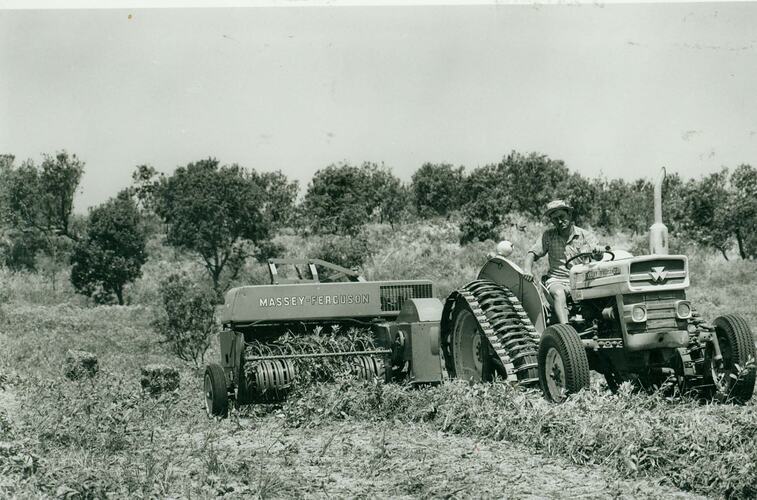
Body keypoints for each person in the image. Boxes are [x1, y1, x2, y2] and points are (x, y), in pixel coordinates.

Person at [523, 200, 603, 324]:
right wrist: (527, 270)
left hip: (581, 280)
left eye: (562, 217)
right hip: (558, 280)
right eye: (555, 219)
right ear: (551, 221)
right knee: (559, 293)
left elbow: (598, 255)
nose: (559, 221)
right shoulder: (548, 236)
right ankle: (566, 331)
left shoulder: (585, 236)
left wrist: (598, 252)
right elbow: (531, 254)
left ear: (569, 215)